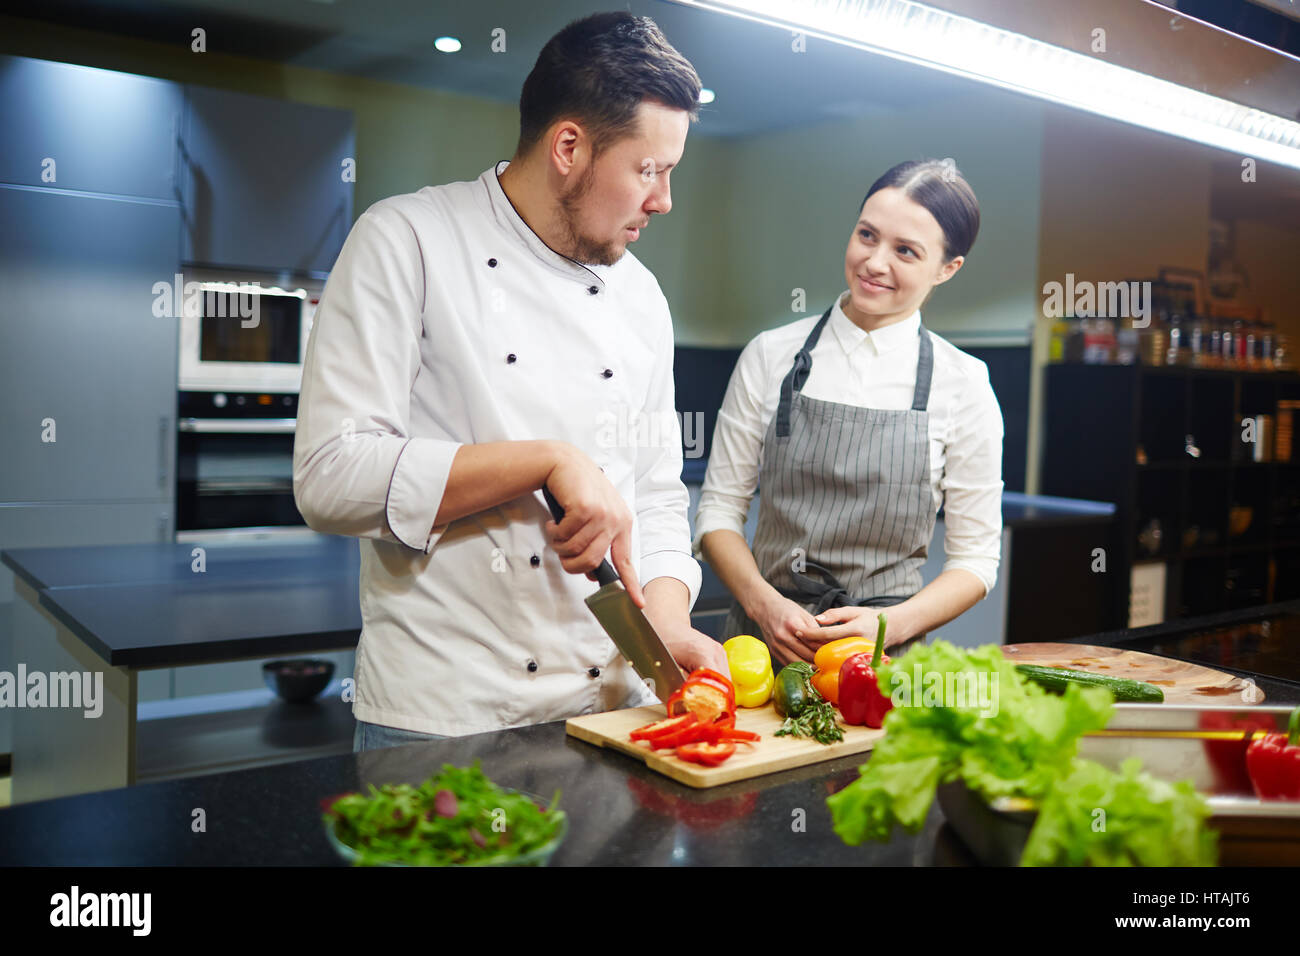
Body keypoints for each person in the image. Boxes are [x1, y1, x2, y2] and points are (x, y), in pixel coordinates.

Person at [293, 12, 728, 751]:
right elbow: (331, 478)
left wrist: (667, 616)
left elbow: (655, 490)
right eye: (649, 170)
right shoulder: (408, 240)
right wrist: (548, 459)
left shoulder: (641, 295)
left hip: (611, 709)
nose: (663, 201)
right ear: (569, 146)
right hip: (441, 720)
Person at [695, 159, 1004, 667]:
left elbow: (975, 562)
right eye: (867, 235)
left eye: (905, 251)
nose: (874, 262)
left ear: (948, 268)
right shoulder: (771, 355)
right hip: (760, 648)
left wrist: (890, 625)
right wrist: (762, 603)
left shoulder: (965, 384)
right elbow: (718, 513)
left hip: (882, 662)